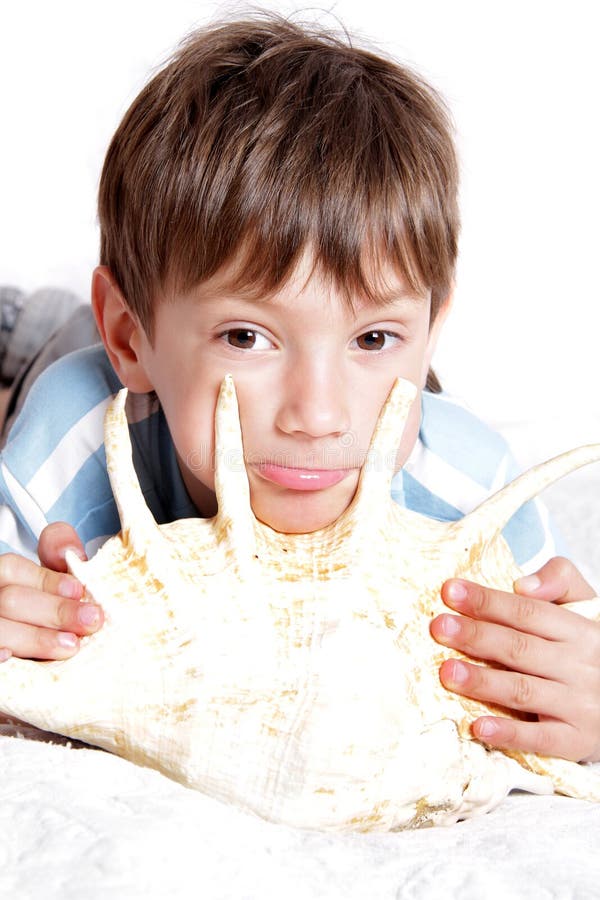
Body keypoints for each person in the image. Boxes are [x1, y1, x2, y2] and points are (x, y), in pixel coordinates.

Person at [0, 14, 598, 763]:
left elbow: (566, 665)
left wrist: (576, 692)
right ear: (131, 336)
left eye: (375, 338)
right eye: (245, 337)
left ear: (431, 330)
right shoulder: (78, 438)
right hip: (60, 363)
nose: (317, 416)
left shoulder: (470, 492)